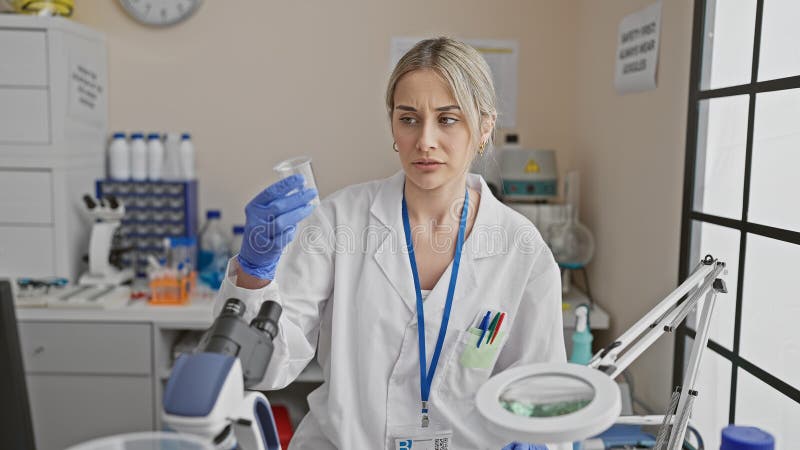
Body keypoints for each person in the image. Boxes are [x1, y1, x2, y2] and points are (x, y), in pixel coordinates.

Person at [216, 37, 566, 449]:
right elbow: (267, 367)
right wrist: (255, 275)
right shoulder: (339, 220)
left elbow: (539, 395)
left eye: (448, 119)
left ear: (485, 127)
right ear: (393, 126)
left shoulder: (521, 249)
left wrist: (539, 439)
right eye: (409, 118)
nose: (425, 141)